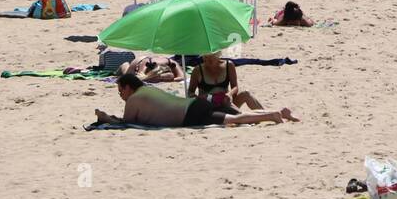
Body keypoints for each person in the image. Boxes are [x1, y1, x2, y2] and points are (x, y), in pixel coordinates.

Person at [95, 73, 296, 128]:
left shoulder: (134, 99)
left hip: (189, 115)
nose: (120, 95)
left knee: (234, 120)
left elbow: (126, 123)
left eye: (120, 90)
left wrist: (105, 117)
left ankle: (272, 115)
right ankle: (278, 112)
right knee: (238, 115)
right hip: (193, 105)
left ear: (128, 87)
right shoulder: (150, 90)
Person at [188, 52, 264, 113]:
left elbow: (235, 87)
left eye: (211, 58)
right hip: (208, 107)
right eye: (205, 58)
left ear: (218, 56)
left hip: (226, 102)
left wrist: (230, 94)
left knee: (246, 94)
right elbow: (190, 92)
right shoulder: (198, 70)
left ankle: (265, 114)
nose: (208, 61)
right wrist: (199, 98)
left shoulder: (229, 65)